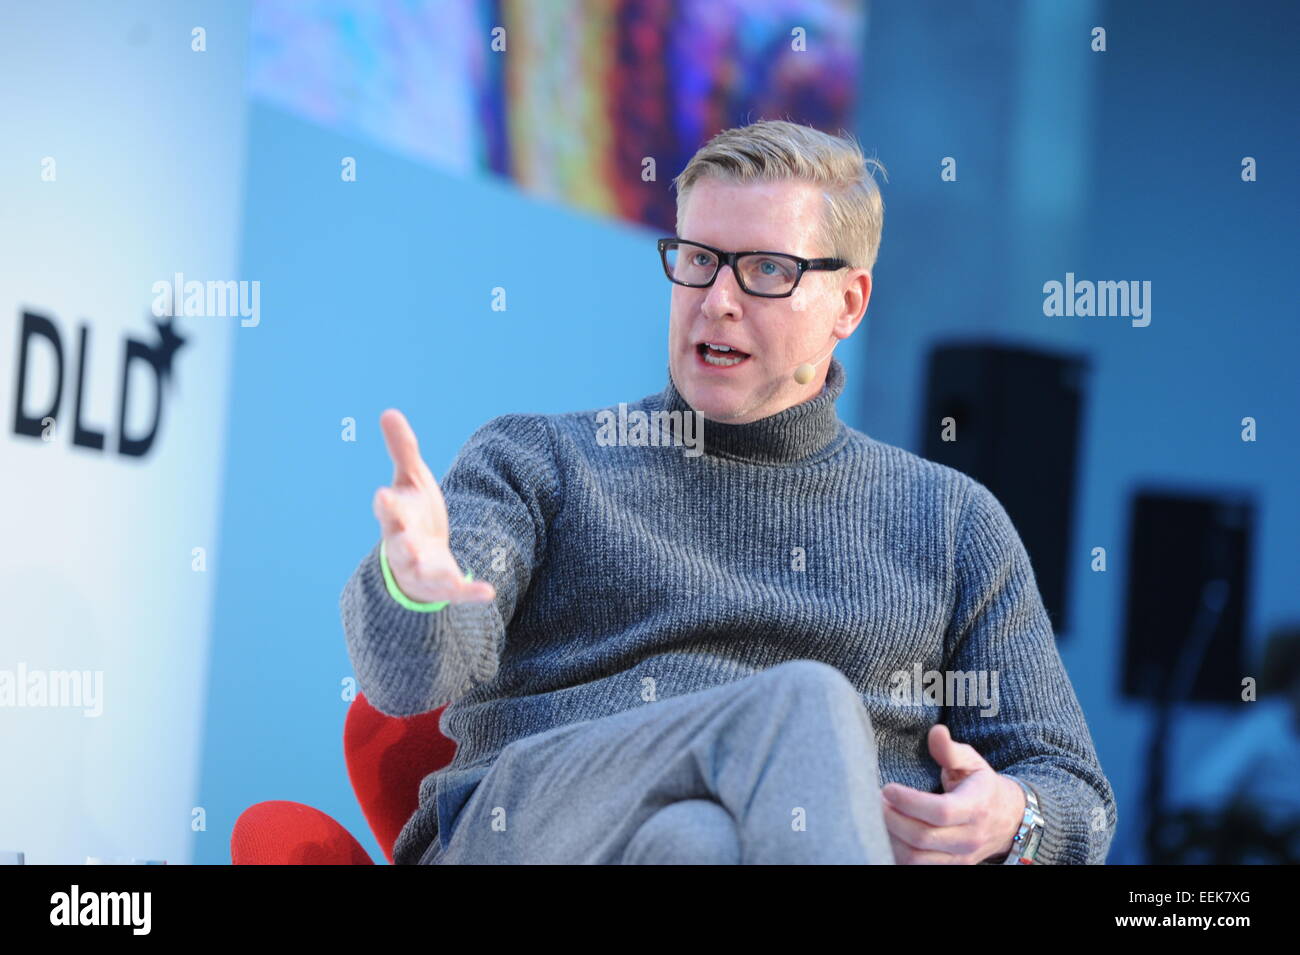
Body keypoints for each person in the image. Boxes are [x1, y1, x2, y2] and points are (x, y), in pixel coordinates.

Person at [340, 119, 1117, 865]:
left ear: (849, 302)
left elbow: (1075, 794)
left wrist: (1013, 817)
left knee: (696, 846)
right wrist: (411, 590)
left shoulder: (952, 523)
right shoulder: (541, 459)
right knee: (803, 705)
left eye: (767, 270)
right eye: (698, 259)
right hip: (528, 834)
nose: (717, 299)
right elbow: (410, 680)